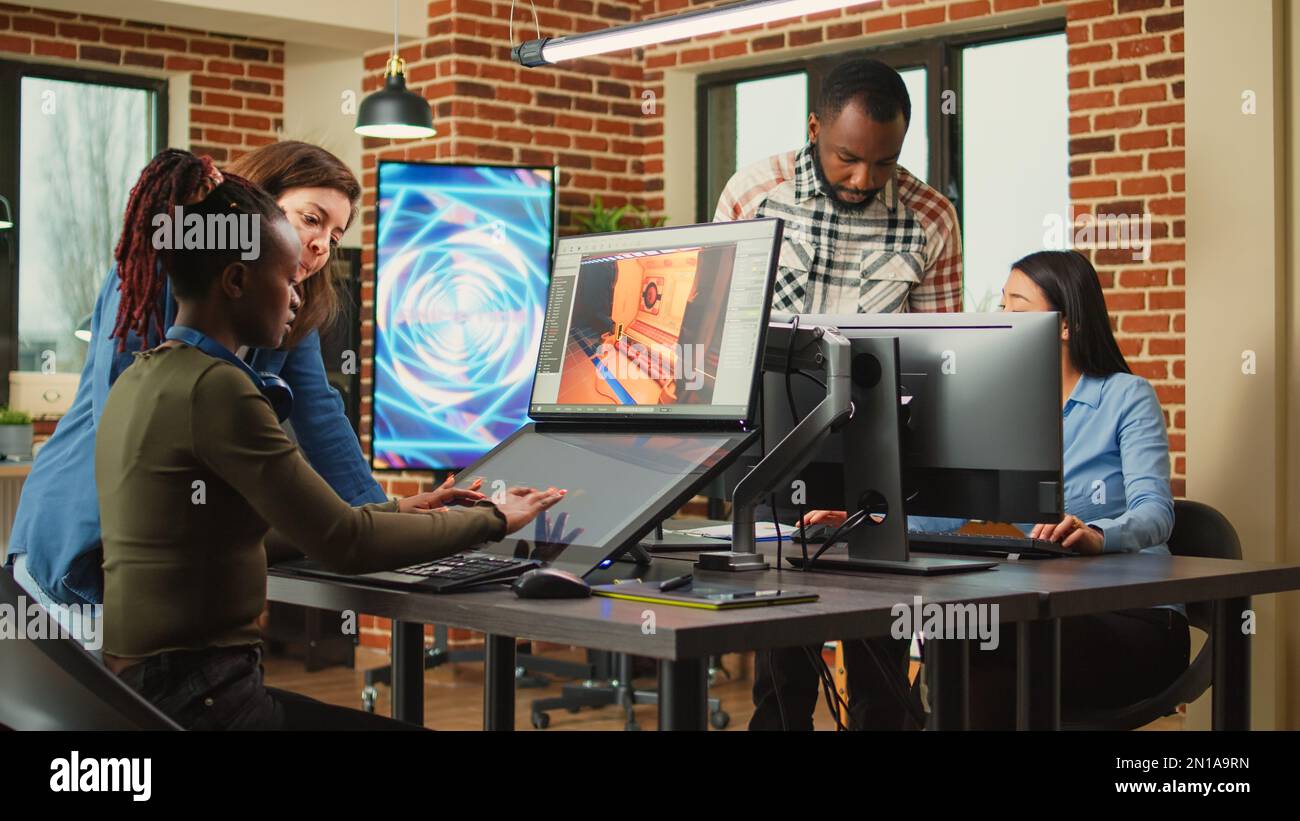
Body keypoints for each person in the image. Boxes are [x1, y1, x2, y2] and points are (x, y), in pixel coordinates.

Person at [96, 149, 565, 730]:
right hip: (205, 699)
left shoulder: (146, 373)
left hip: (150, 693)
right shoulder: (219, 390)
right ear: (237, 279)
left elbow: (239, 539)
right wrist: (495, 517)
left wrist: (399, 509)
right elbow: (345, 541)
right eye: (285, 278)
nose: (299, 295)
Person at [6, 141, 432, 644]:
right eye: (312, 219)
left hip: (170, 552)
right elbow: (124, 412)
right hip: (83, 528)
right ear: (256, 202)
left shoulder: (288, 307)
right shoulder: (161, 268)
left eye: (335, 236)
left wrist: (378, 525)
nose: (322, 245)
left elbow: (322, 419)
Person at [802, 250, 1190, 728]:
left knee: (980, 631)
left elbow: (1156, 511)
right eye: (1001, 306)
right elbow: (952, 508)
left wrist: (1097, 534)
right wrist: (867, 519)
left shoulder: (1125, 397)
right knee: (956, 632)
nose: (1001, 319)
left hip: (1134, 619)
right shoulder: (1003, 408)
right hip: (1041, 612)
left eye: (1016, 307)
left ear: (1063, 325)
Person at [713, 57, 963, 730]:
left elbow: (941, 356)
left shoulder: (931, 216)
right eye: (848, 158)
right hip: (773, 444)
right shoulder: (752, 194)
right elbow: (724, 332)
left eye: (883, 164)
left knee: (878, 656)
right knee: (783, 669)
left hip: (876, 451)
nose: (863, 180)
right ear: (815, 127)